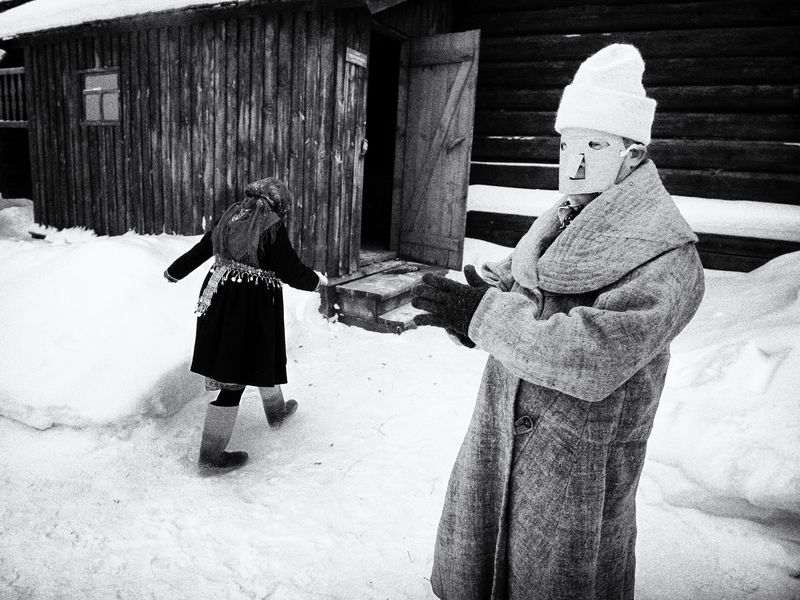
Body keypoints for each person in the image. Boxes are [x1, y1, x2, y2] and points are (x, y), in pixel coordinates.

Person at [412, 44, 705, 599]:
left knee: (560, 570)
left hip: (577, 458)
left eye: (594, 144)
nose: (573, 161)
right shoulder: (569, 212)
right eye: (567, 142)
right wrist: (482, 295)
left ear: (634, 154)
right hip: (503, 428)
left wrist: (486, 316)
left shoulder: (667, 256)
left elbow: (592, 355)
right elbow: (530, 276)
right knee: (492, 548)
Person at [164, 177, 326, 474]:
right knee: (235, 375)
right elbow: (289, 269)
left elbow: (203, 249)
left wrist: (175, 271)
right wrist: (315, 281)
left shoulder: (232, 214)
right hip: (248, 305)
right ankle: (211, 457)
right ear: (279, 204)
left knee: (259, 355)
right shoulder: (270, 225)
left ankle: (276, 411)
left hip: (221, 296)